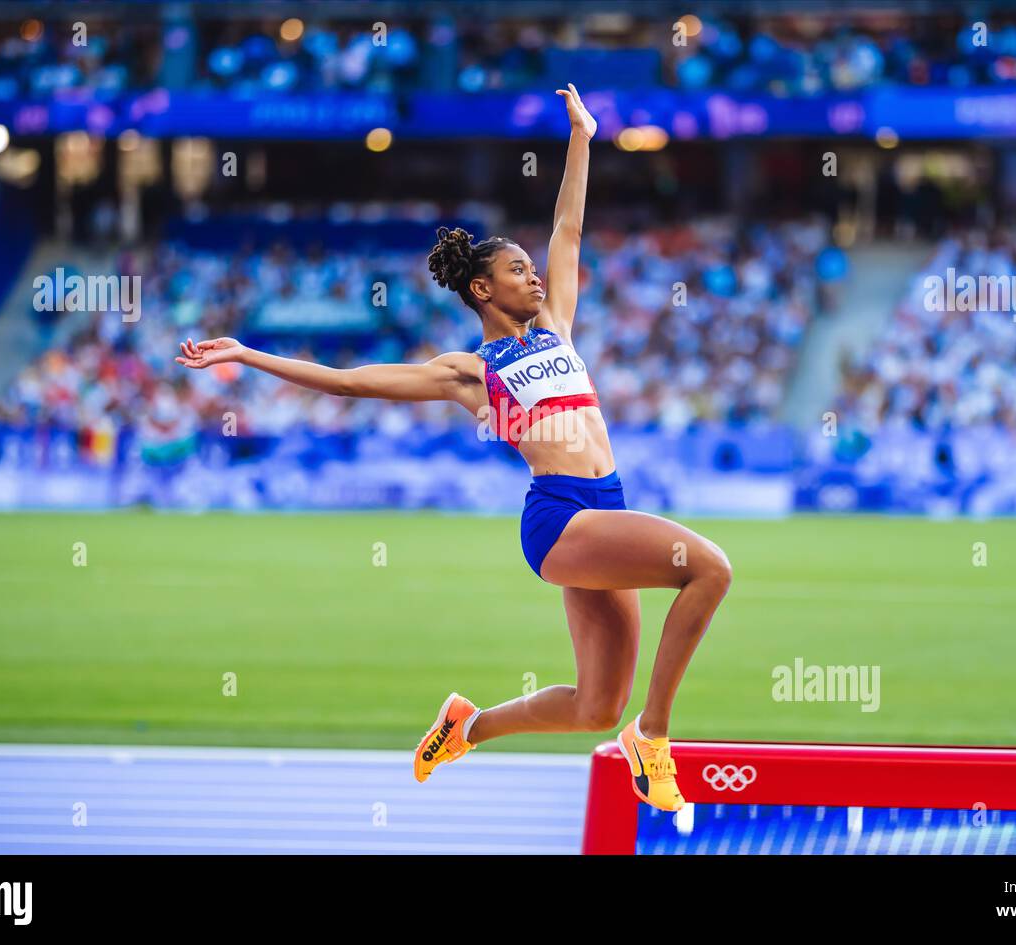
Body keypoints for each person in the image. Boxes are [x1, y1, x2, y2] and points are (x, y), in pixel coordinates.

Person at [176, 85, 733, 811]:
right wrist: (249, 354)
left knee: (596, 706)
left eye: (533, 269)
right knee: (711, 570)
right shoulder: (470, 371)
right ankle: (652, 737)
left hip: (609, 503)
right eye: (517, 271)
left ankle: (468, 725)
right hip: (563, 516)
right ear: (481, 287)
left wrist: (582, 138)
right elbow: (348, 382)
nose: (535, 275)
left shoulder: (558, 327)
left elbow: (568, 228)